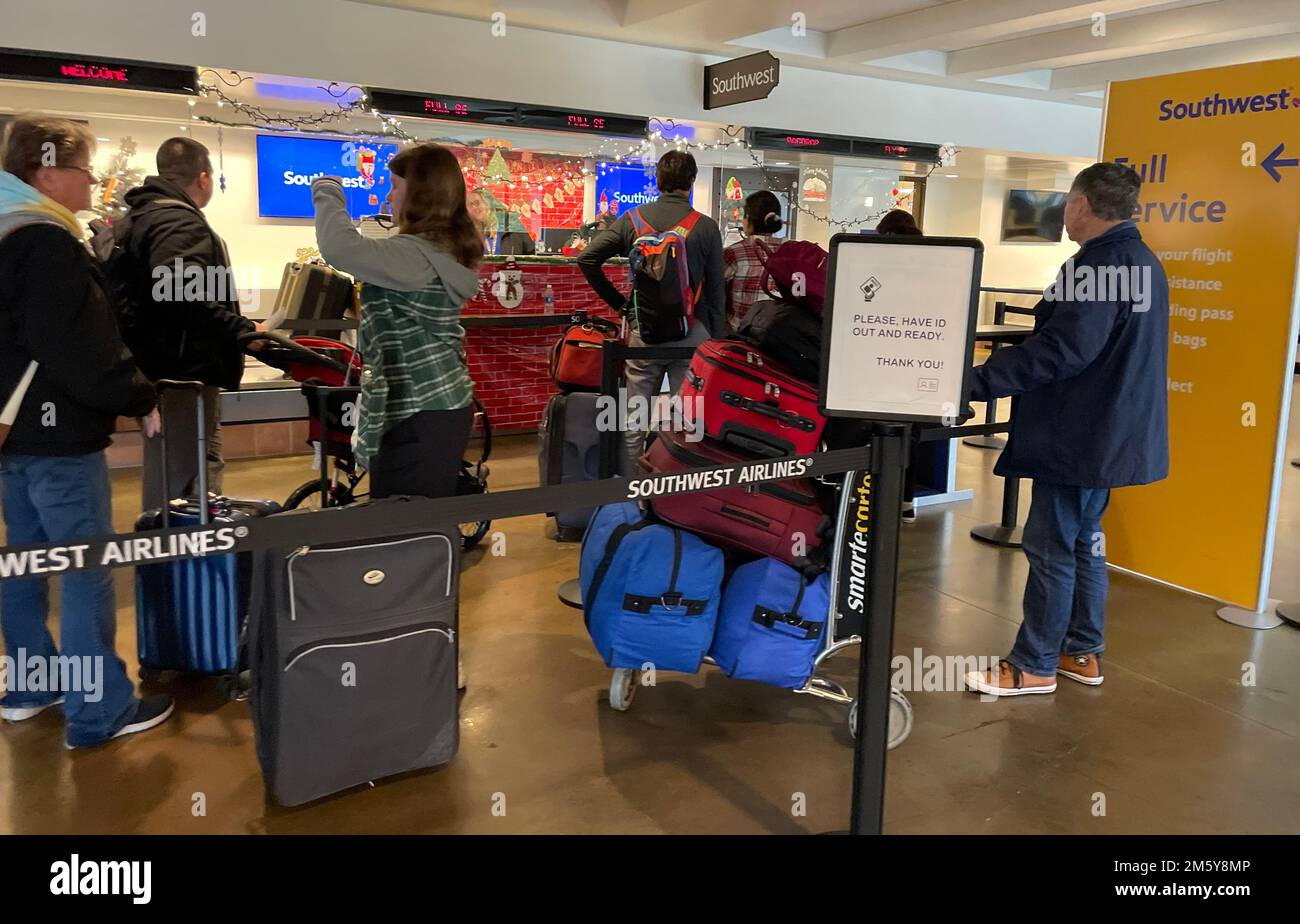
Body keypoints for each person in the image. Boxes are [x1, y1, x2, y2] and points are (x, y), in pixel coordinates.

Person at [963, 162, 1168, 697]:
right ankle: (1081, 652)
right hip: (1107, 436)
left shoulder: (1096, 267)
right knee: (1084, 544)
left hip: (1078, 435)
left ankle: (1033, 664)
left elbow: (1061, 351)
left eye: (1067, 203)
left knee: (1051, 547)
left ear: (1081, 204)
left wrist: (975, 383)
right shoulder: (1142, 262)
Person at [0, 114, 173, 747]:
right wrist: (138, 395)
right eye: (84, 171)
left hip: (13, 433)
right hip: (60, 437)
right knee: (85, 568)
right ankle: (99, 710)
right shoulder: (46, 242)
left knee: (25, 559)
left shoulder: (7, 231)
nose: (92, 182)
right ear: (46, 173)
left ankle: (32, 684)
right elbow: (78, 345)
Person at [311, 142, 481, 501]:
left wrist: (327, 189)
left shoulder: (415, 256)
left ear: (420, 194)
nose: (389, 197)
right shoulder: (436, 250)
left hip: (419, 408)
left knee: (405, 521)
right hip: (433, 405)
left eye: (395, 186)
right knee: (417, 518)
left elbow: (339, 247)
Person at [112, 137, 258, 511]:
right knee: (180, 478)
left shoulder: (144, 216)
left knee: (190, 466)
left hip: (163, 369)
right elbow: (182, 293)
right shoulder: (178, 222)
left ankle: (190, 537)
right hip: (182, 375)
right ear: (204, 178)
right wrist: (242, 331)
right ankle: (179, 544)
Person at [577, 151, 726, 473]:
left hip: (644, 333)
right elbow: (716, 290)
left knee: (634, 418)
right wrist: (716, 340)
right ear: (692, 181)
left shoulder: (632, 220)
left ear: (658, 180)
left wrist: (623, 307)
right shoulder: (705, 227)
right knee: (680, 420)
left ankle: (629, 488)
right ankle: (668, 488)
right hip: (691, 335)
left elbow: (587, 259)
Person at [723, 190, 783, 331]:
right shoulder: (790, 251)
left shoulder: (734, 253)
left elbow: (715, 291)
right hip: (779, 335)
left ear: (749, 219)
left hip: (740, 334)